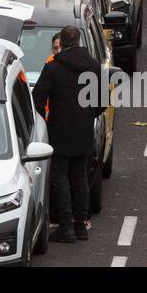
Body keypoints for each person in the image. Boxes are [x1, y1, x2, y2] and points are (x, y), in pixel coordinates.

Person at [32, 25, 101, 242]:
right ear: (79, 41)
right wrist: (88, 115)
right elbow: (102, 102)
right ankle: (80, 225)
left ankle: (65, 225)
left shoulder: (53, 67)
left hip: (59, 129)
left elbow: (38, 97)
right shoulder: (94, 66)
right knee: (80, 176)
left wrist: (46, 119)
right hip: (84, 130)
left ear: (61, 42)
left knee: (59, 175)